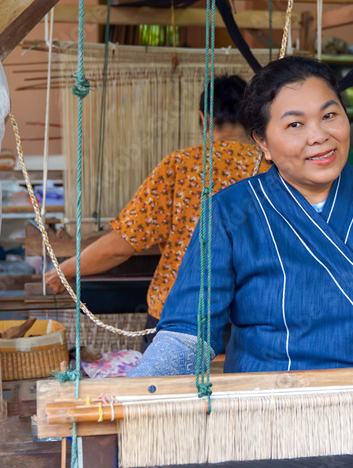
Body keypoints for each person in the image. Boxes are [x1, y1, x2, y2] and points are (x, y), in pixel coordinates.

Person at [130, 56, 353, 378]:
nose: (319, 136)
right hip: (268, 409)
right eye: (295, 125)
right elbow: (189, 331)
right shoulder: (228, 211)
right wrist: (140, 385)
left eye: (329, 115)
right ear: (263, 143)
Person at [45, 75, 265, 340]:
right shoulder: (272, 170)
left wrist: (64, 270)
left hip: (181, 316)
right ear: (253, 117)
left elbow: (121, 244)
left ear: (203, 117)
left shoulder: (181, 167)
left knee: (162, 382)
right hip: (255, 316)